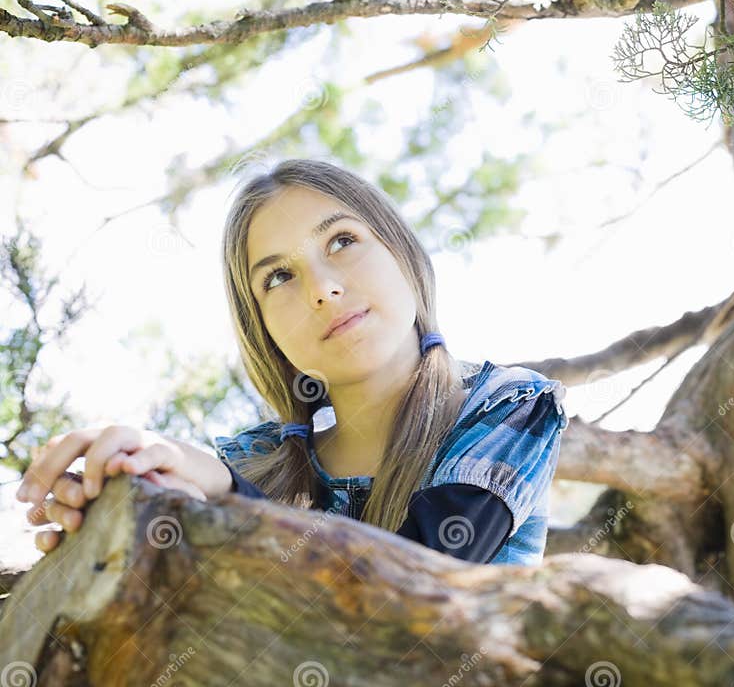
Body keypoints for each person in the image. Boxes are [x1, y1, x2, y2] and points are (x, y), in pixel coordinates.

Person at [16, 158, 568, 565]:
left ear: (402, 251)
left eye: (342, 240)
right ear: (264, 331)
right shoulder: (257, 460)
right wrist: (123, 505)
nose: (322, 290)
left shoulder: (509, 406)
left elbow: (417, 582)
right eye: (278, 277)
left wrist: (229, 496)